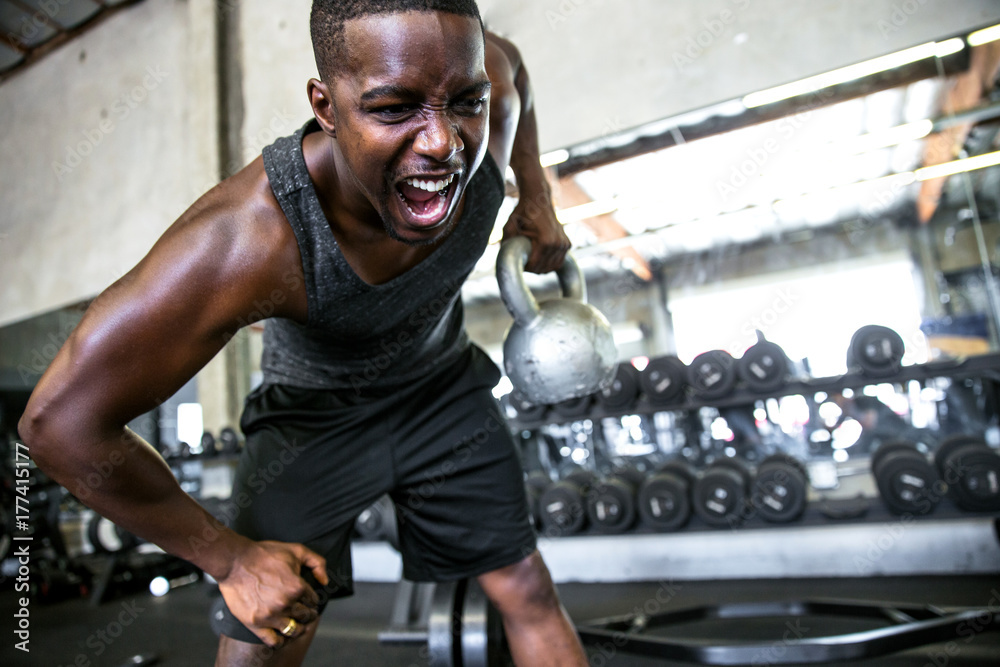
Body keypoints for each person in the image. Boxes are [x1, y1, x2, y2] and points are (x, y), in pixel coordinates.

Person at [18, 1, 589, 665]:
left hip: (441, 387)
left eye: (465, 101)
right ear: (325, 105)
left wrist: (536, 194)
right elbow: (56, 423)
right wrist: (230, 560)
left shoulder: (488, 113)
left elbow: (509, 64)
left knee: (527, 587)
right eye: (393, 108)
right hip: (312, 420)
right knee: (268, 630)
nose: (442, 142)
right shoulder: (250, 240)